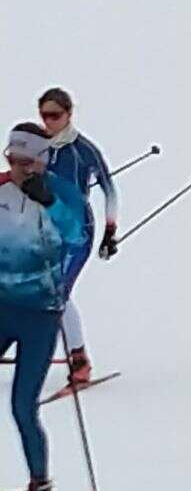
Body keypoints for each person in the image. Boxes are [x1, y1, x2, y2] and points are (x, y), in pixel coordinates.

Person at [0, 124, 76, 491]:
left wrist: (52, 205)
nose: (16, 169)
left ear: (42, 162)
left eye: (25, 162)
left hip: (39, 316)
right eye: (10, 159)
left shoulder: (62, 194)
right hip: (0, 307)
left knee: (22, 406)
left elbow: (79, 236)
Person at [37, 89, 118, 388]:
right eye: (44, 115)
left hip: (77, 233)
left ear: (69, 114)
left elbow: (110, 190)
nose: (48, 122)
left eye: (55, 116)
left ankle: (79, 359)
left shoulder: (83, 151)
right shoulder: (37, 147)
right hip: (43, 230)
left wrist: (110, 231)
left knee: (57, 293)